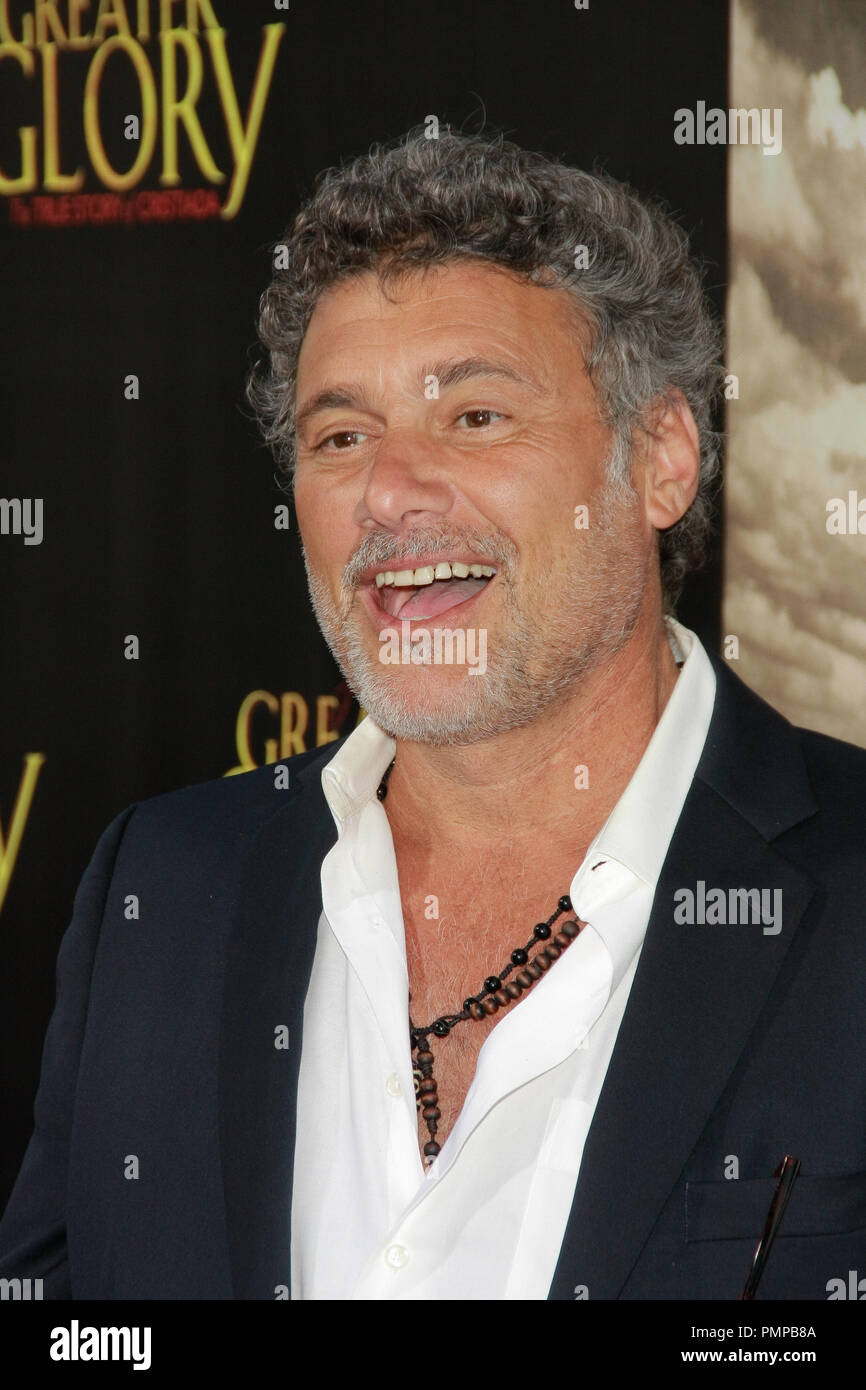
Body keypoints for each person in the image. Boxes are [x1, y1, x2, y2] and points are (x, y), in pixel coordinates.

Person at [1, 129, 864, 1301]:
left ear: (660, 456)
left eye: (473, 417)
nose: (388, 492)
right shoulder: (159, 891)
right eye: (340, 436)